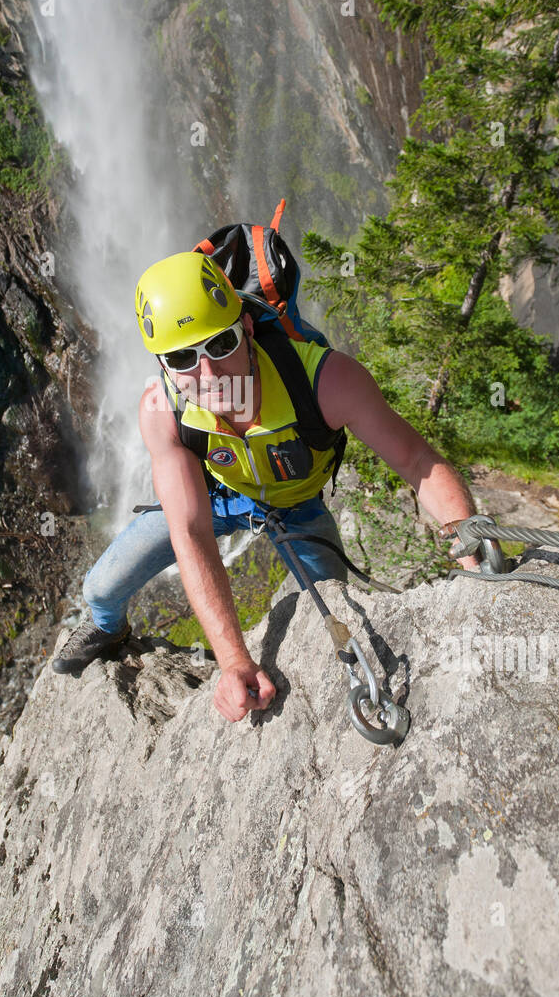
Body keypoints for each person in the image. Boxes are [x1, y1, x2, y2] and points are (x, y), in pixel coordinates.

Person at [52, 251, 480, 722]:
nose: (209, 374)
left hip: (296, 504)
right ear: (163, 365)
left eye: (221, 344)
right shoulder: (162, 411)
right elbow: (190, 531)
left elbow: (416, 460)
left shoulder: (325, 381)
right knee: (99, 589)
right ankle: (110, 630)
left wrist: (463, 528)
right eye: (182, 358)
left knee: (334, 604)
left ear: (248, 328)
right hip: (214, 496)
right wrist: (233, 660)